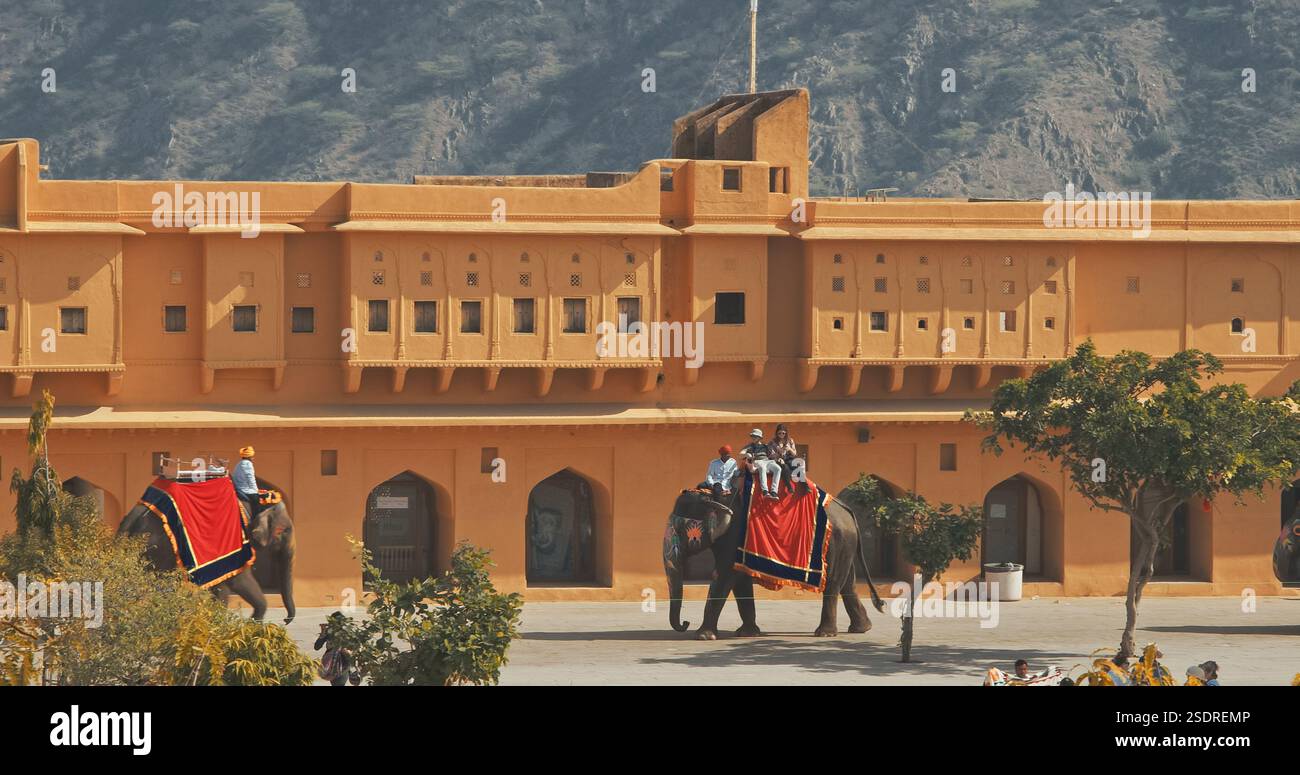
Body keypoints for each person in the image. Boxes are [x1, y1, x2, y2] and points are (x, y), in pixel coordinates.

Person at [315, 612, 356, 687]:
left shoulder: (347, 634)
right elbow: (317, 647)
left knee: (339, 684)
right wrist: (323, 632)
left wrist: (344, 650)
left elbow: (350, 657)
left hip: (343, 665)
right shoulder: (329, 633)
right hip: (331, 665)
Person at [742, 429, 782, 499]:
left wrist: (777, 456)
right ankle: (765, 491)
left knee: (778, 469)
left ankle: (774, 491)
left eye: (755, 436)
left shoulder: (765, 446)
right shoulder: (750, 446)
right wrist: (746, 454)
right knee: (762, 468)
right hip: (758, 461)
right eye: (753, 436)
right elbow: (740, 454)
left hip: (768, 461)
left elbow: (772, 455)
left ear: (760, 438)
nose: (753, 438)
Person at [233, 446, 261, 520]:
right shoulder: (248, 464)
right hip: (244, 490)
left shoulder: (239, 463)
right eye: (252, 456)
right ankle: (255, 520)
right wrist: (256, 491)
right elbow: (251, 478)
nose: (253, 458)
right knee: (256, 499)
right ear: (249, 457)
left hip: (239, 488)